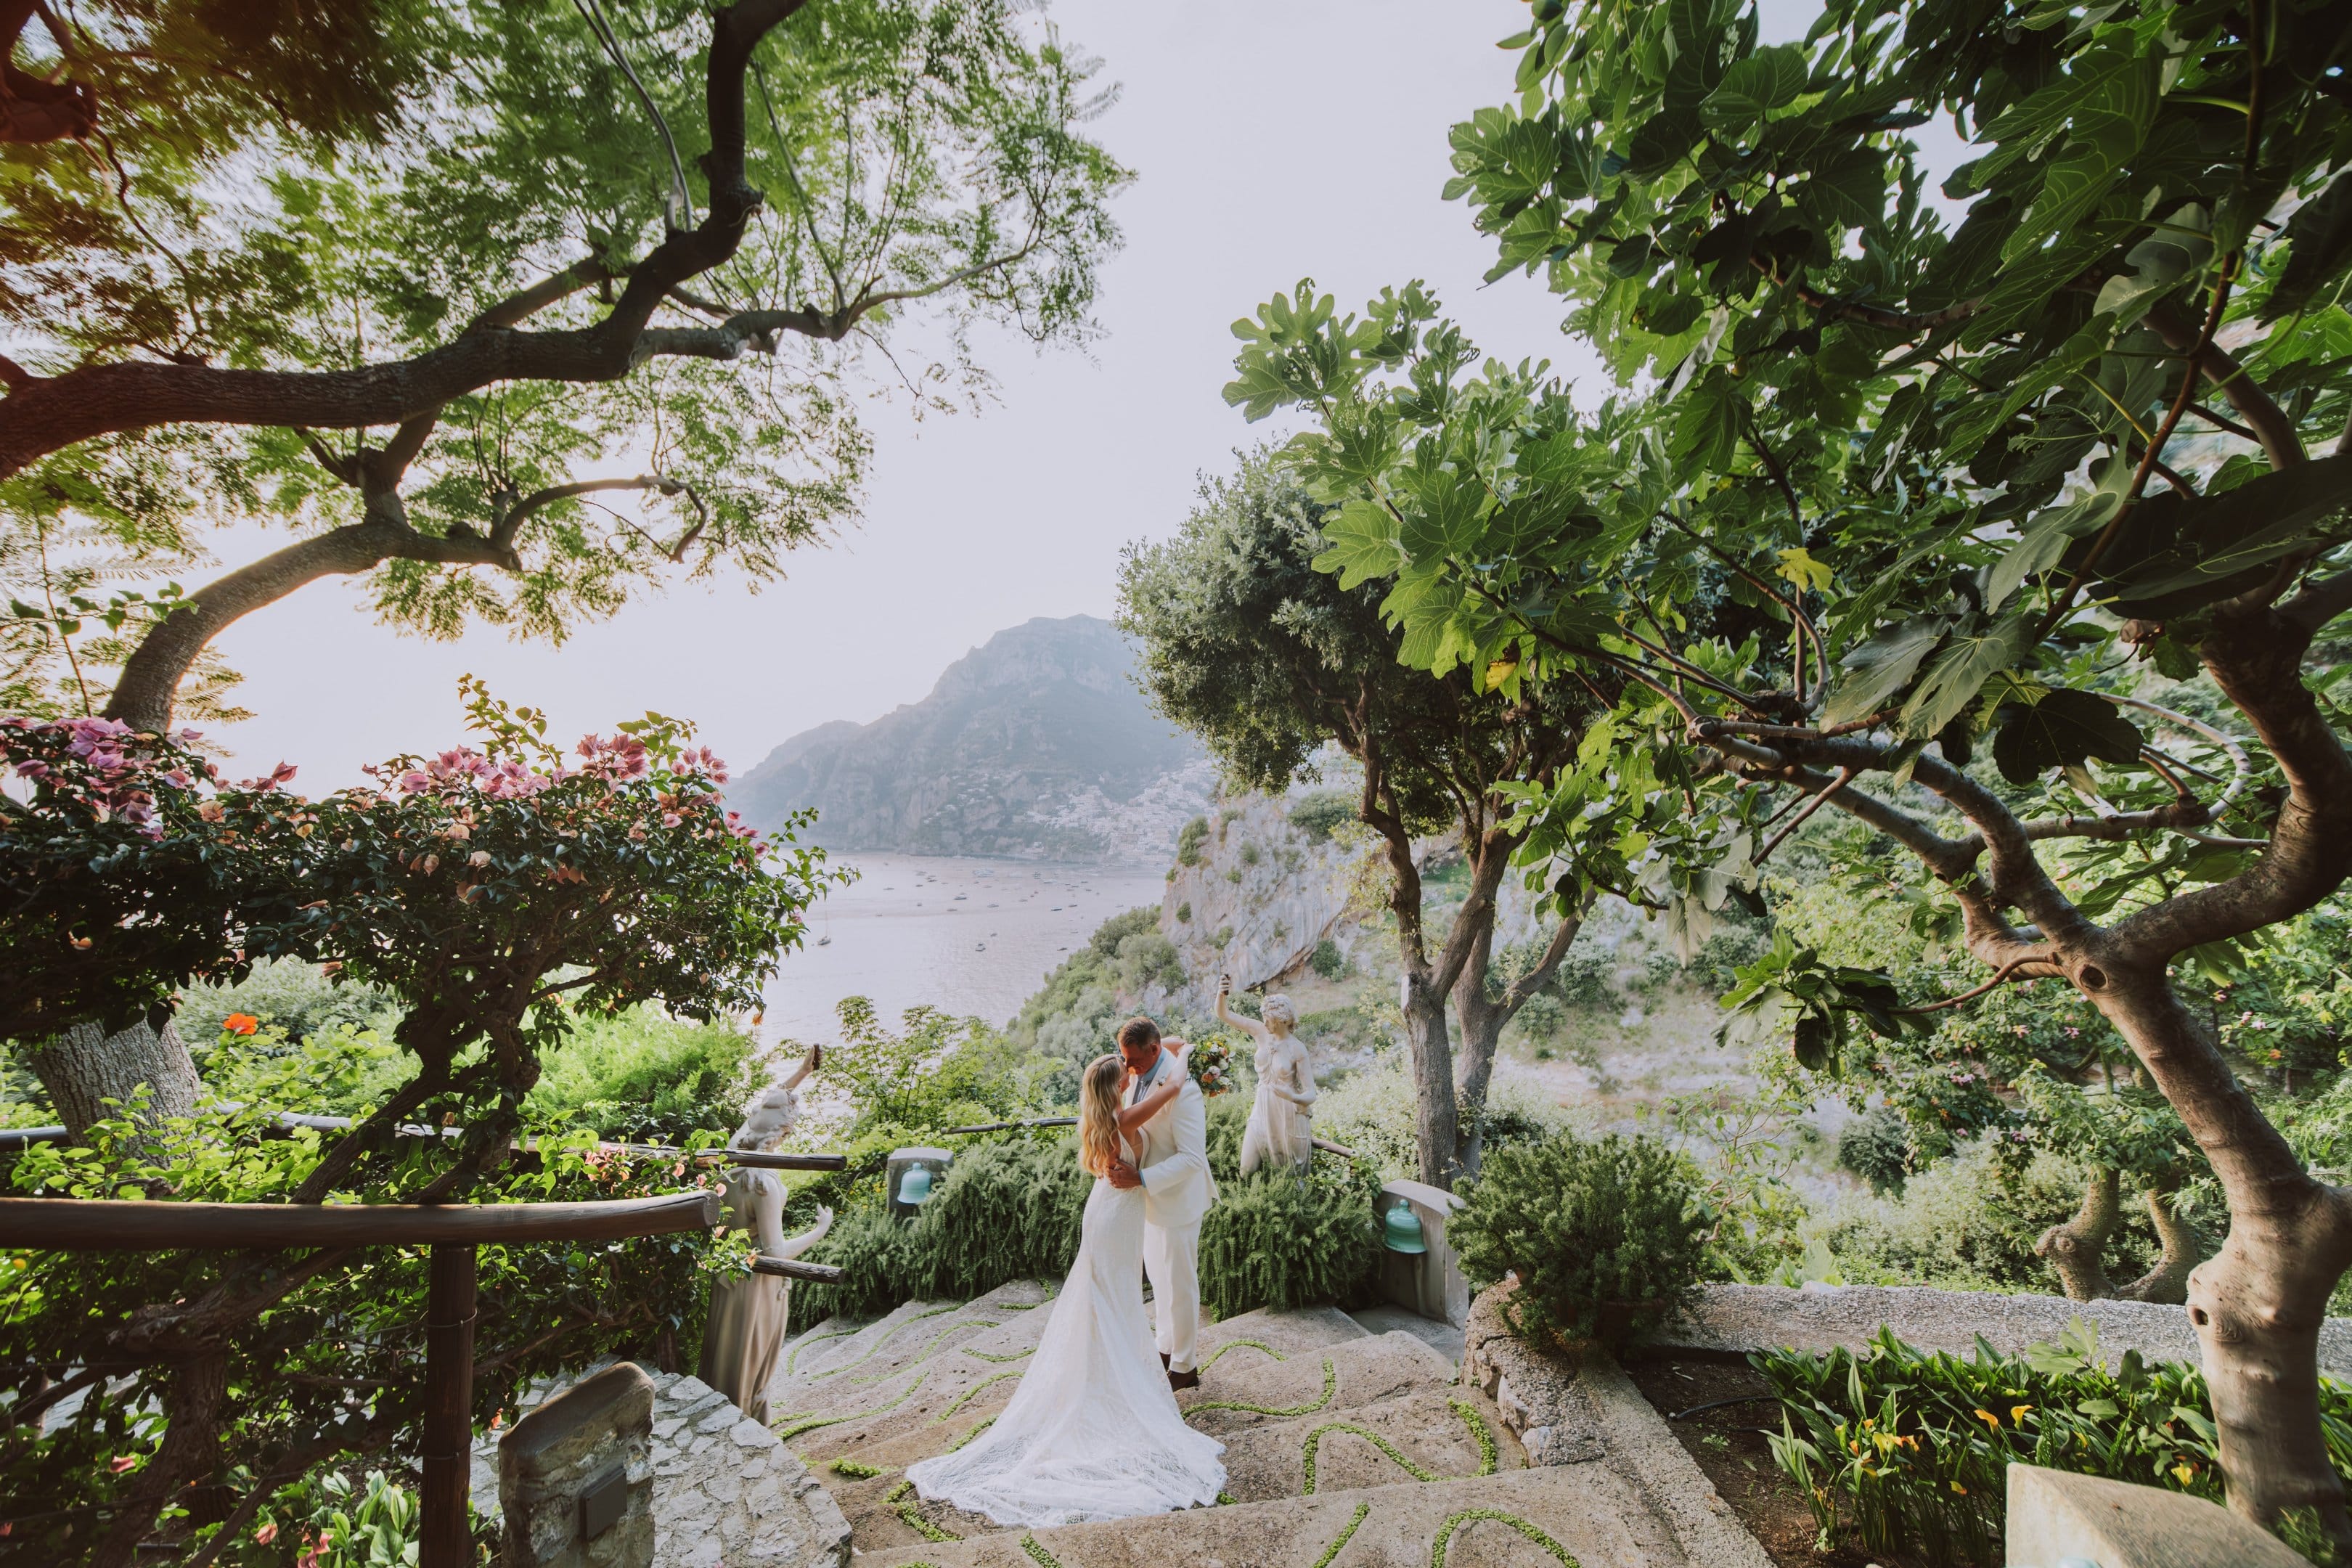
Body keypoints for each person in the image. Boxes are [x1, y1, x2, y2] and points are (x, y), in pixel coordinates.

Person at [904, 1041, 1225, 1526]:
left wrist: (1171, 1047)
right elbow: (1177, 1084)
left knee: (1106, 1299)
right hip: (1118, 1218)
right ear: (1119, 1085)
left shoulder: (1101, 1120)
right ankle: (1119, 1379)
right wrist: (1188, 1050)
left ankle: (1110, 1370)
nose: (1133, 1073)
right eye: (1126, 1071)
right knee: (1114, 1299)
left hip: (1105, 1212)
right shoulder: (1125, 1119)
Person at [699, 1044, 833, 1424]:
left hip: (729, 1274)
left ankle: (719, 1413)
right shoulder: (765, 1182)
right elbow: (775, 1255)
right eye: (788, 1131)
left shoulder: (733, 1156)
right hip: (757, 1284)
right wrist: (818, 1232)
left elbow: (762, 1108)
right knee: (752, 1357)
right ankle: (746, 1424)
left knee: (727, 1351)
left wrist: (801, 1074)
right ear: (782, 1133)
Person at [1220, 974, 1316, 1175]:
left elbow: (1311, 1094)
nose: (1264, 1023)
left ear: (1281, 1021)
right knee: (1246, 1169)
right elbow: (1224, 1015)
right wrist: (1221, 992)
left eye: (1268, 1020)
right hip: (1261, 1109)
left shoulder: (1297, 1049)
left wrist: (1294, 1097)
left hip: (1286, 1113)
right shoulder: (1261, 1033)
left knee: (1290, 1178)